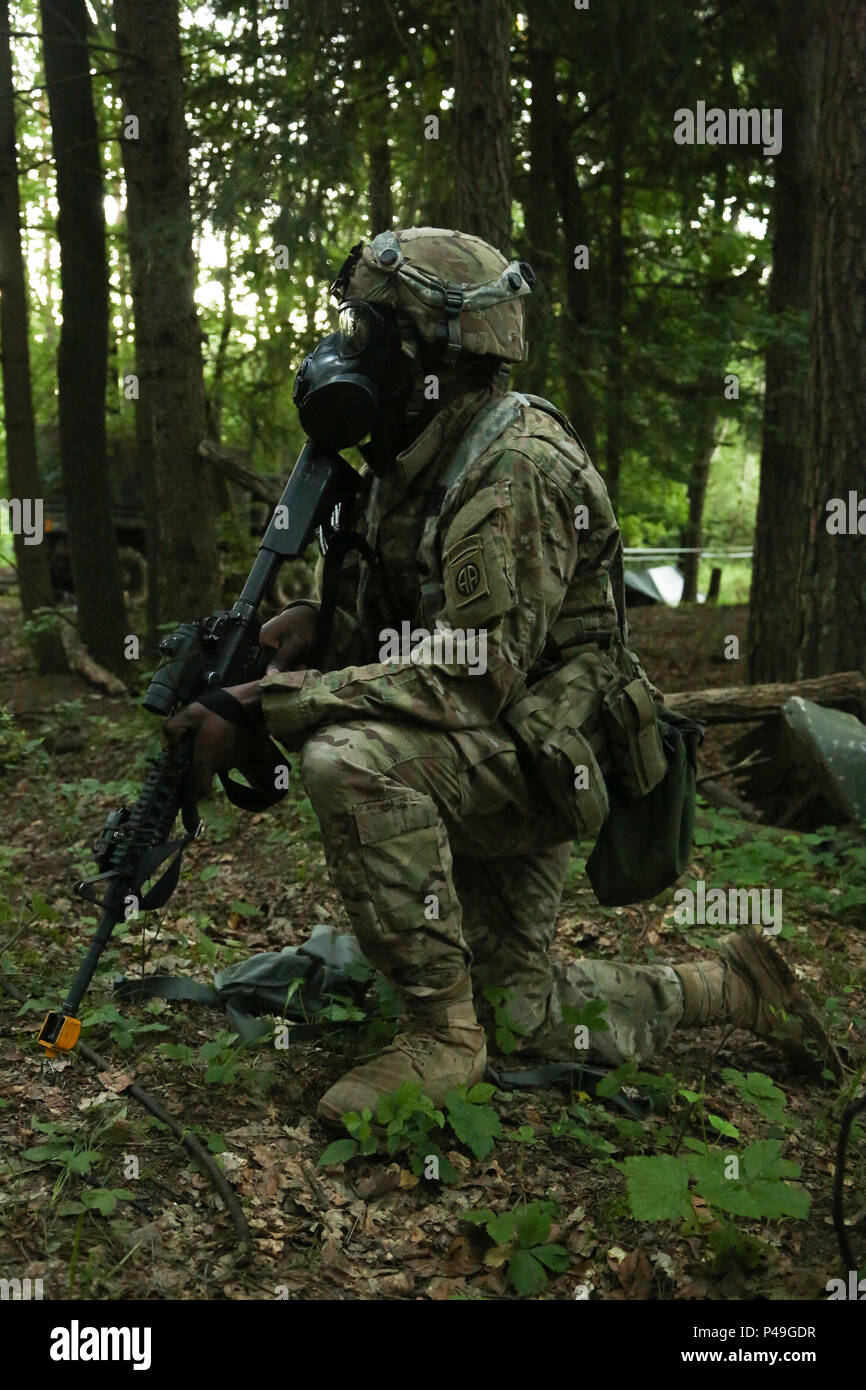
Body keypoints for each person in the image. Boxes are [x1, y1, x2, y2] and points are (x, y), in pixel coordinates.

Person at [164, 228, 837, 1124]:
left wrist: (265, 705)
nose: (347, 351)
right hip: (491, 745)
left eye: (368, 331)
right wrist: (321, 625)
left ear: (429, 353)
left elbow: (469, 674)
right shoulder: (414, 455)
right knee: (524, 1013)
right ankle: (732, 988)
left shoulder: (511, 467)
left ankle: (441, 1037)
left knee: (344, 758)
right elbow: (415, 625)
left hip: (539, 757)